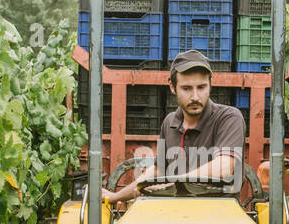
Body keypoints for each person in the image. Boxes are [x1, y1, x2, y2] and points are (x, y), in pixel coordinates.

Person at [102, 49, 245, 203]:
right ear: (172, 87)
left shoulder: (228, 117)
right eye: (186, 88)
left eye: (201, 87)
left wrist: (170, 185)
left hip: (221, 216)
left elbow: (223, 168)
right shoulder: (169, 122)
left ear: (211, 84)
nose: (195, 96)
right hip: (173, 212)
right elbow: (157, 171)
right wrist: (114, 197)